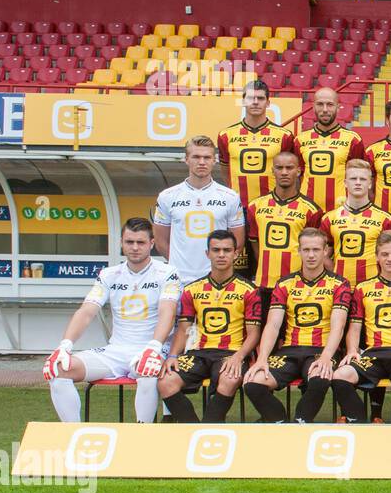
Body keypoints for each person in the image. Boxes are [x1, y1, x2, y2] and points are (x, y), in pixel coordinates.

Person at [43, 217, 181, 423]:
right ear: (121, 243)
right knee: (58, 369)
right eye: (129, 242)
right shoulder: (109, 274)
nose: (135, 248)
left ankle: (143, 435)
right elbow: (87, 311)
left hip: (151, 349)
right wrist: (65, 345)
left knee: (148, 371)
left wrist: (153, 346)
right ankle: (73, 436)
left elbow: (167, 312)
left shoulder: (167, 272)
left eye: (141, 242)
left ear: (151, 244)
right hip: (115, 351)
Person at [245, 228, 352, 424]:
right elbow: (273, 325)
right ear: (299, 251)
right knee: (253, 383)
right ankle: (283, 424)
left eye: (316, 250)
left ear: (326, 251)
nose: (311, 255)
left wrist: (328, 357)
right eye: (306, 249)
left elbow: (339, 325)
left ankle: (298, 426)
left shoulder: (339, 284)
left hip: (321, 350)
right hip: (289, 351)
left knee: (320, 378)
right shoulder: (285, 284)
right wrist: (262, 359)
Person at [158, 230, 261, 423]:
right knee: (165, 382)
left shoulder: (249, 290)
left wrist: (239, 358)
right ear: (207, 253)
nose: (221, 255)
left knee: (229, 380)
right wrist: (172, 356)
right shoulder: (191, 289)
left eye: (226, 250)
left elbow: (254, 334)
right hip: (199, 353)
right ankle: (194, 429)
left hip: (231, 353)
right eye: (216, 250)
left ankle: (208, 428)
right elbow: (184, 328)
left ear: (236, 254)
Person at [330, 231, 391, 426]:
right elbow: (355, 327)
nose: (390, 259)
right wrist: (351, 350)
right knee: (339, 376)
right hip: (373, 354)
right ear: (377, 256)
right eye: (385, 254)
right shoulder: (363, 288)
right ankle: (359, 423)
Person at [153, 135, 245, 285]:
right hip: (178, 281)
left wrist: (218, 270)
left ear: (214, 160)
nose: (202, 162)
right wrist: (180, 266)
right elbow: (160, 242)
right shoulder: (167, 196)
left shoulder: (230, 197)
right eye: (196, 157)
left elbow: (238, 243)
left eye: (207, 157)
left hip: (215, 281)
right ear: (186, 159)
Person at [244, 151, 324, 309]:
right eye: (279, 168)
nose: (284, 172)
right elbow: (255, 245)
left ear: (299, 171)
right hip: (264, 284)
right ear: (273, 171)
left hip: (296, 286)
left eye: (290, 167)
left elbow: (313, 249)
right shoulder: (255, 206)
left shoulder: (312, 210)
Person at [217, 79, 295, 206]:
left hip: (271, 205)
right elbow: (226, 169)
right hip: (237, 205)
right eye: (250, 98)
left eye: (260, 98)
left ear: (268, 103)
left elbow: (290, 172)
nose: (255, 102)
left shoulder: (284, 136)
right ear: (243, 102)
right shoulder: (226, 135)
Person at [319, 159, 391, 285]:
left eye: (363, 179)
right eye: (353, 179)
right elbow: (321, 253)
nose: (358, 183)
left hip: (373, 289)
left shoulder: (386, 219)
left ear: (370, 183)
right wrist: (334, 273)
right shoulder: (329, 218)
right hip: (338, 287)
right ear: (345, 182)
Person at [295, 86, 366, 213]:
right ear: (313, 106)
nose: (325, 109)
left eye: (330, 105)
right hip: (306, 210)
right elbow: (296, 175)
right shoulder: (300, 140)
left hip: (341, 211)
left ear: (338, 107)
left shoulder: (353, 140)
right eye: (320, 104)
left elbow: (360, 177)